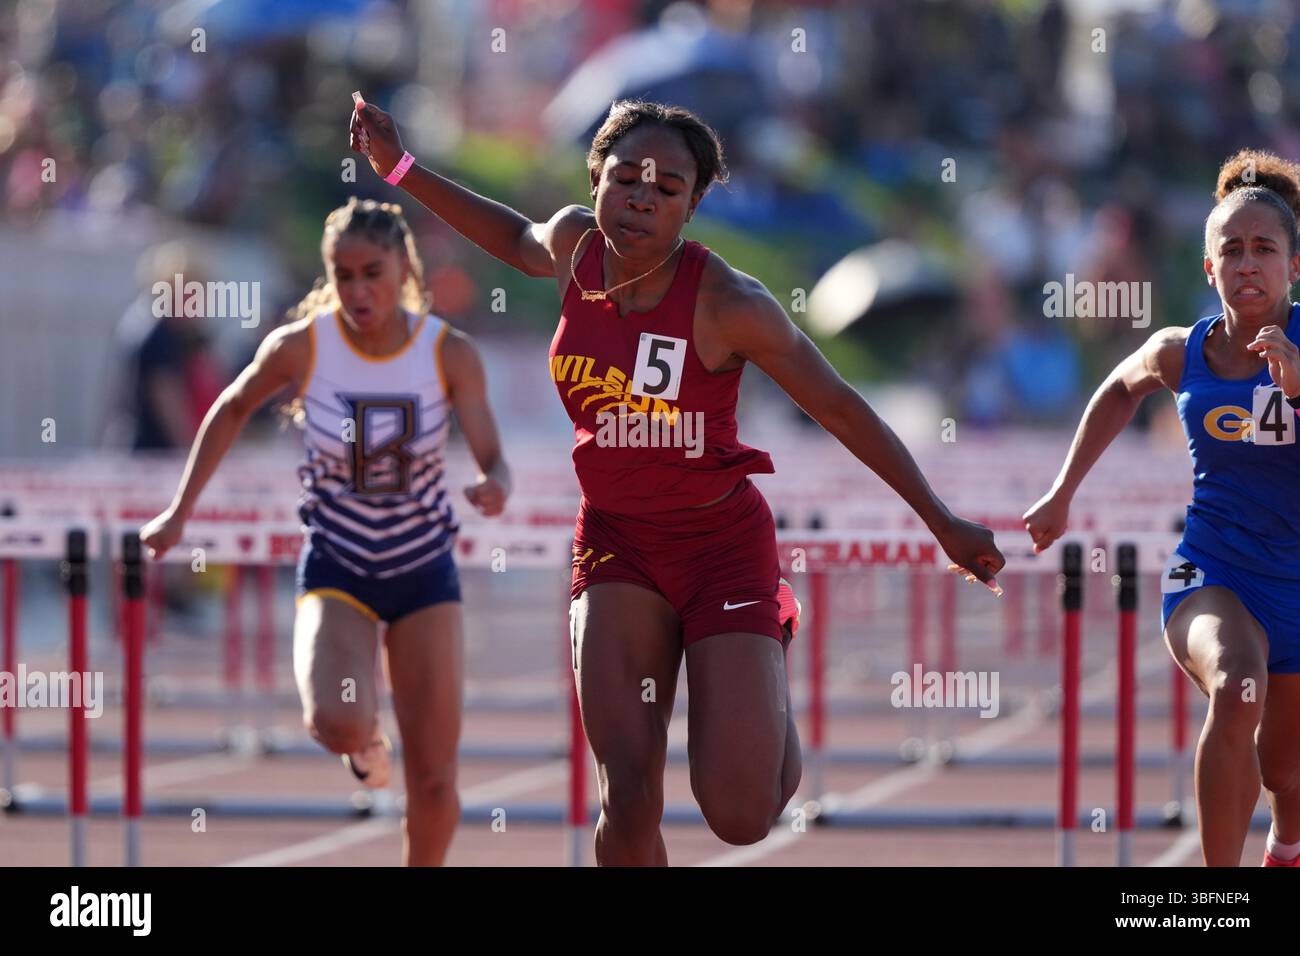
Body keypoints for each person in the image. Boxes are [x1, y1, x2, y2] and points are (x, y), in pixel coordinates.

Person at [351, 96, 1003, 865]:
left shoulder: (732, 306)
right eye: (626, 178)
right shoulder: (573, 246)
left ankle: (768, 639)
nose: (641, 198)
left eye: (666, 189)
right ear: (595, 179)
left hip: (719, 546)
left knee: (739, 816)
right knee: (626, 796)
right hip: (617, 545)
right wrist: (400, 167)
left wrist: (940, 519)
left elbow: (839, 407)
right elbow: (509, 235)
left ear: (693, 206)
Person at [140, 198, 512, 866]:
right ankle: (368, 743)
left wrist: (497, 484)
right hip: (339, 564)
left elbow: (493, 452)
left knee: (435, 778)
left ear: (403, 267)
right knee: (335, 721)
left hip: (423, 570)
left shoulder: (448, 353)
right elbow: (229, 410)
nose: (359, 290)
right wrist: (180, 511)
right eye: (343, 275)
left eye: (373, 272)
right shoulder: (304, 346)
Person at [1024, 149, 1300, 867]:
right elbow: (1118, 389)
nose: (1247, 264)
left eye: (1264, 249)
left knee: (1288, 776)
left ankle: (1286, 846)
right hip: (1213, 570)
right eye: (1230, 250)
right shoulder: (1185, 353)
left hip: (1296, 581)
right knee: (1238, 687)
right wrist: (1063, 491)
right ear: (1208, 269)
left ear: (1293, 267)